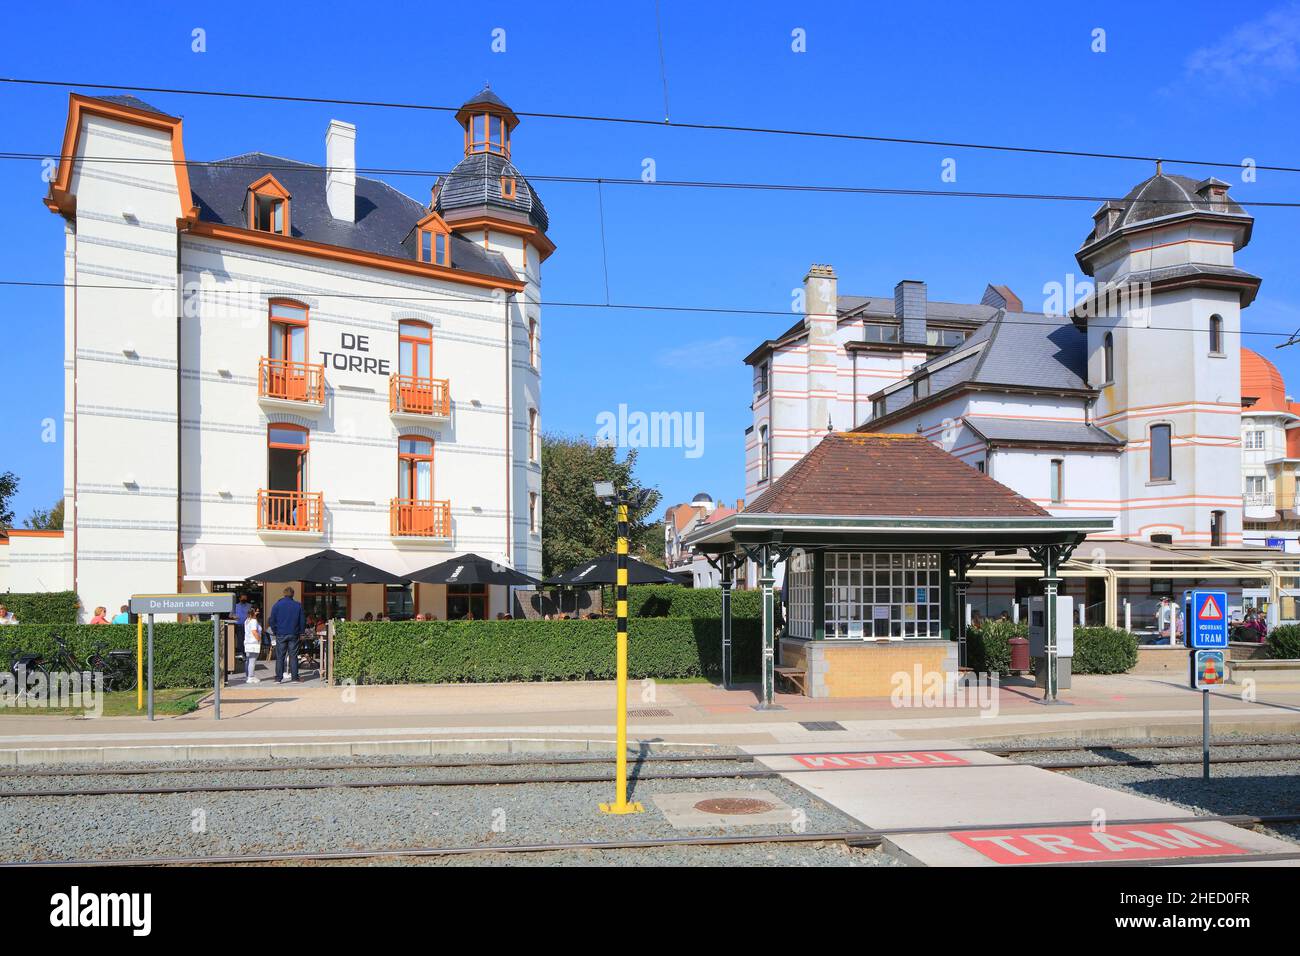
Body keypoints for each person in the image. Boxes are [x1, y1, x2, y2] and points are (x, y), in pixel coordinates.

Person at [267, 586, 305, 683]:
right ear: (293, 594)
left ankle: (278, 678)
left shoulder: (277, 605)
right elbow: (302, 621)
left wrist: (275, 631)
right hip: (294, 633)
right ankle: (294, 678)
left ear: (284, 594)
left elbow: (272, 620)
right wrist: (301, 632)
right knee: (293, 656)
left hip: (281, 633)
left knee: (280, 656)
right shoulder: (298, 605)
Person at [243, 606, 263, 683]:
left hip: (247, 642)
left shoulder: (247, 620)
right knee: (252, 660)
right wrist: (259, 639)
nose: (258, 613)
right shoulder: (254, 621)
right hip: (254, 642)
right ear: (254, 612)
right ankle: (251, 677)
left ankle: (248, 676)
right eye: (257, 611)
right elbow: (254, 632)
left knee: (248, 660)